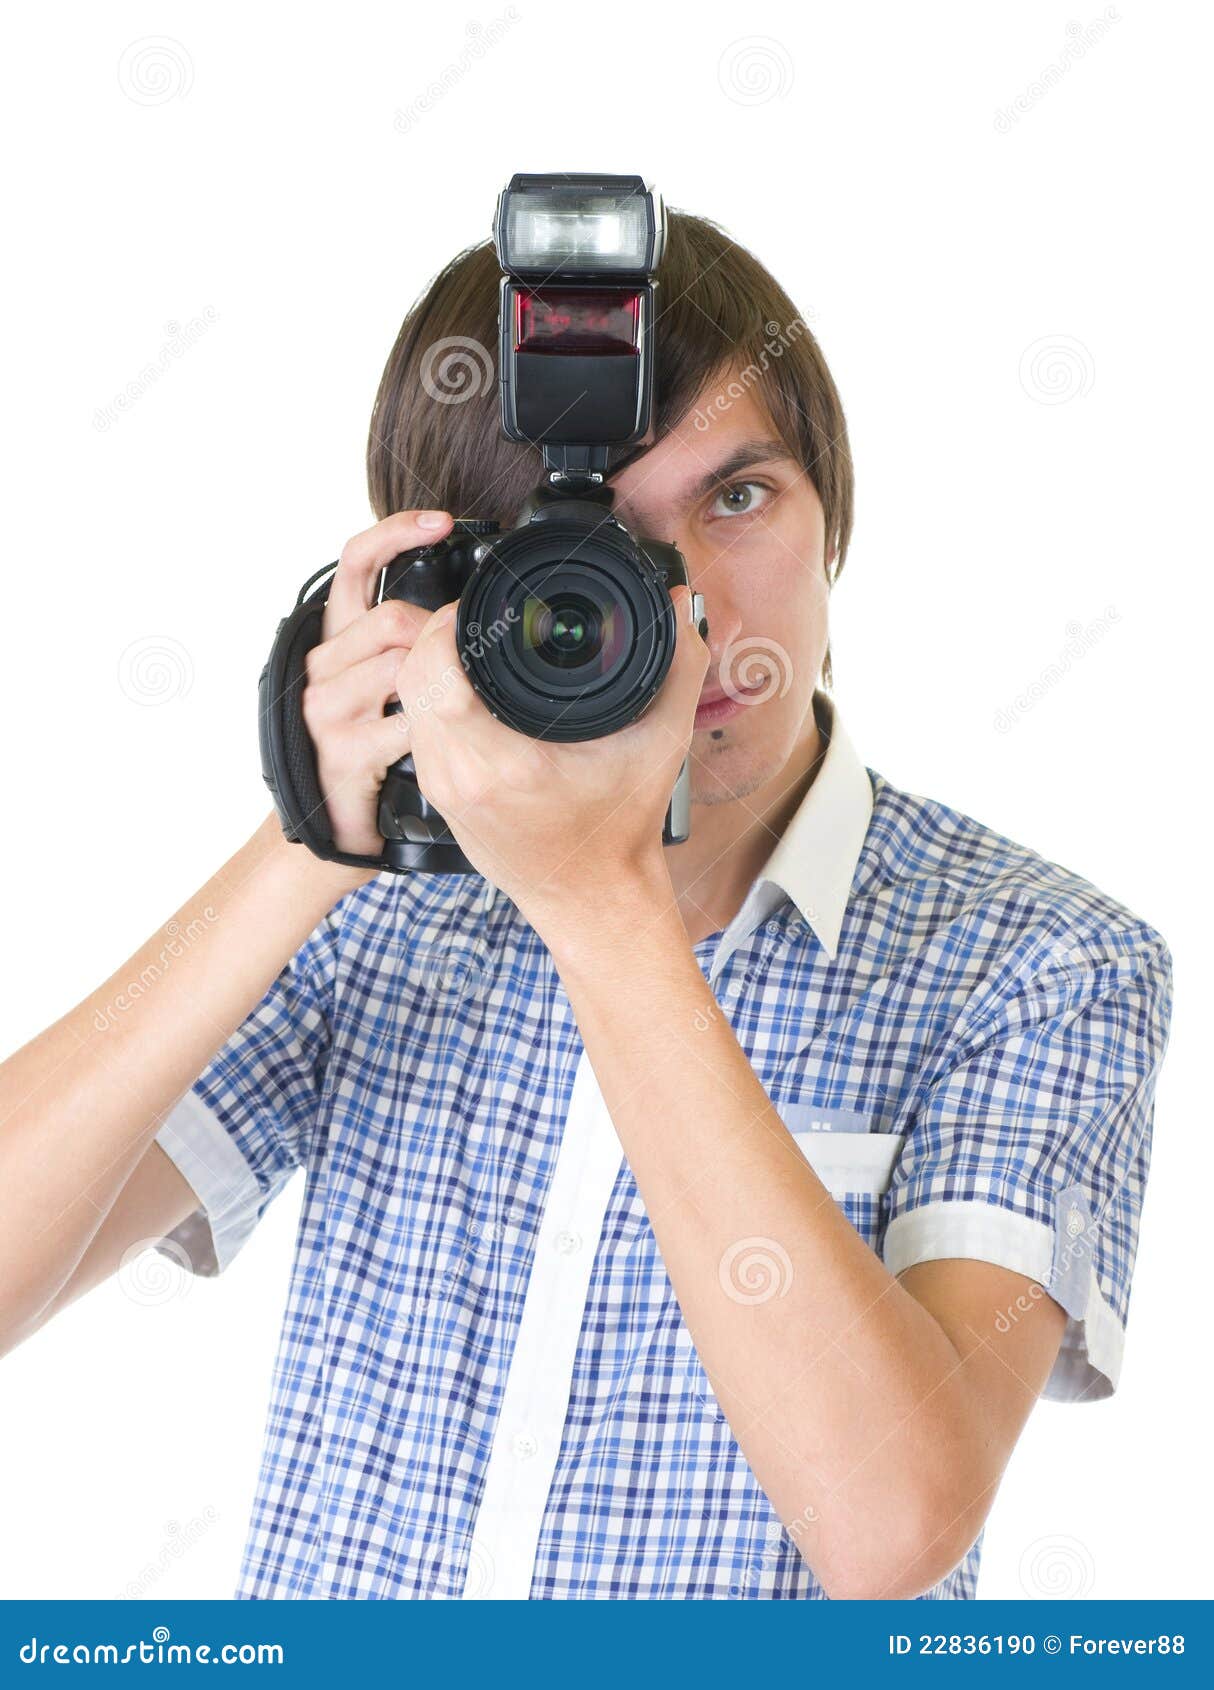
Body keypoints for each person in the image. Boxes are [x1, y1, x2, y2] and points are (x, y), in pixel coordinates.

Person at [0, 212, 1172, 1601]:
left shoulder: (1041, 962)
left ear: (830, 517)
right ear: (457, 593)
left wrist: (602, 901)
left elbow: (893, 1530)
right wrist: (311, 841)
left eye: (737, 499)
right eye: (598, 547)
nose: (689, 612)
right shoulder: (386, 916)